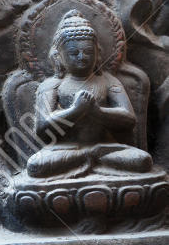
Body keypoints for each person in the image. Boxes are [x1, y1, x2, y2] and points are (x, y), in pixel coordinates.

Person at [25, 13, 154, 180]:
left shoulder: (108, 81)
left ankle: (90, 162)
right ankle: (91, 163)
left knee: (142, 160)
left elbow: (129, 119)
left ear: (97, 53)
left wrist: (98, 112)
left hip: (104, 148)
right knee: (35, 166)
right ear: (58, 56)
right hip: (65, 149)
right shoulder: (51, 85)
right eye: (74, 52)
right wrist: (75, 110)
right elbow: (42, 127)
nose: (82, 57)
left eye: (87, 51)